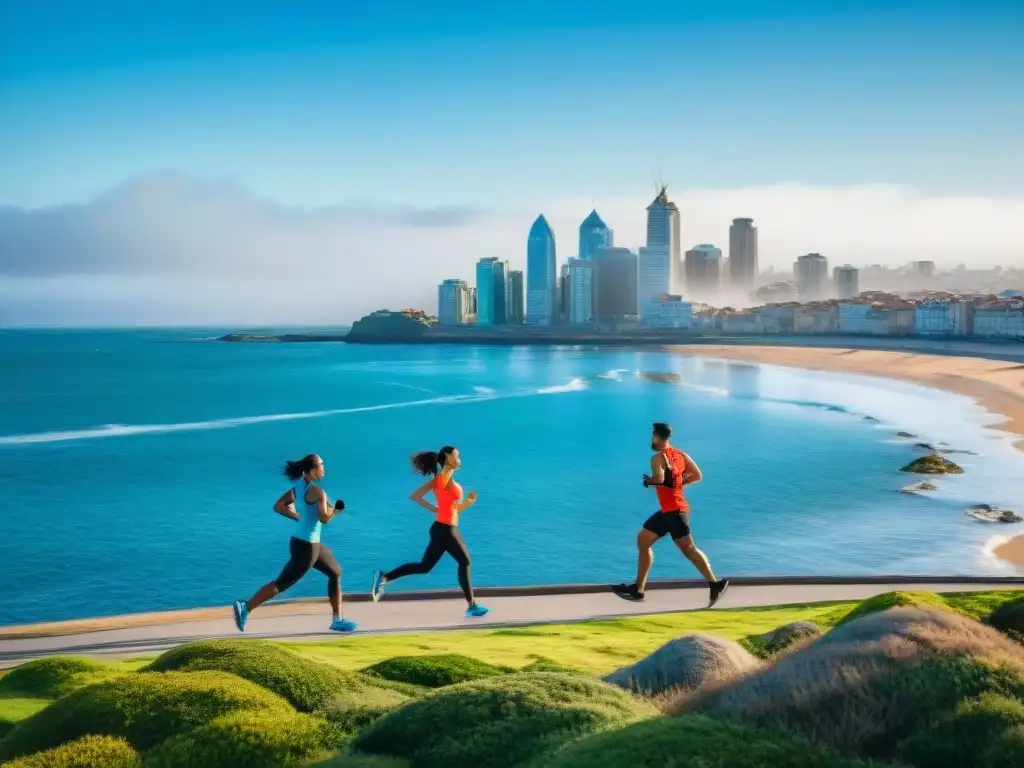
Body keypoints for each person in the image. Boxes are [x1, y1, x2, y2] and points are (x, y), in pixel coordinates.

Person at [232, 454, 357, 633]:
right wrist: (336, 510)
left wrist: (299, 517)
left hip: (302, 542)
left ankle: (337, 620)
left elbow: (279, 505)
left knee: (335, 572)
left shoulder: (299, 487)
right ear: (313, 469)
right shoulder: (318, 492)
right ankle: (246, 607)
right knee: (281, 584)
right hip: (307, 547)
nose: (324, 468)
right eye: (322, 465)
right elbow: (324, 519)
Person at [614, 423, 729, 607]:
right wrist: (679, 484)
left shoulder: (657, 457)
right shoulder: (681, 455)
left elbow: (660, 479)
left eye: (653, 436)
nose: (651, 439)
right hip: (669, 510)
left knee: (689, 549)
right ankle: (638, 589)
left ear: (658, 437)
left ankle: (716, 583)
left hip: (674, 511)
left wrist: (649, 481)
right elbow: (697, 475)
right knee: (643, 540)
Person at [371, 446, 490, 618]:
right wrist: (436, 508)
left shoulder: (443, 480)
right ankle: (471, 605)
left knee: (424, 567)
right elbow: (418, 496)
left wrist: (468, 502)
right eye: (457, 455)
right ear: (448, 457)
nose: (460, 459)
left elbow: (448, 508)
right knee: (465, 562)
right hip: (446, 530)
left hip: (442, 528)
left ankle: (384, 578)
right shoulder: (442, 479)